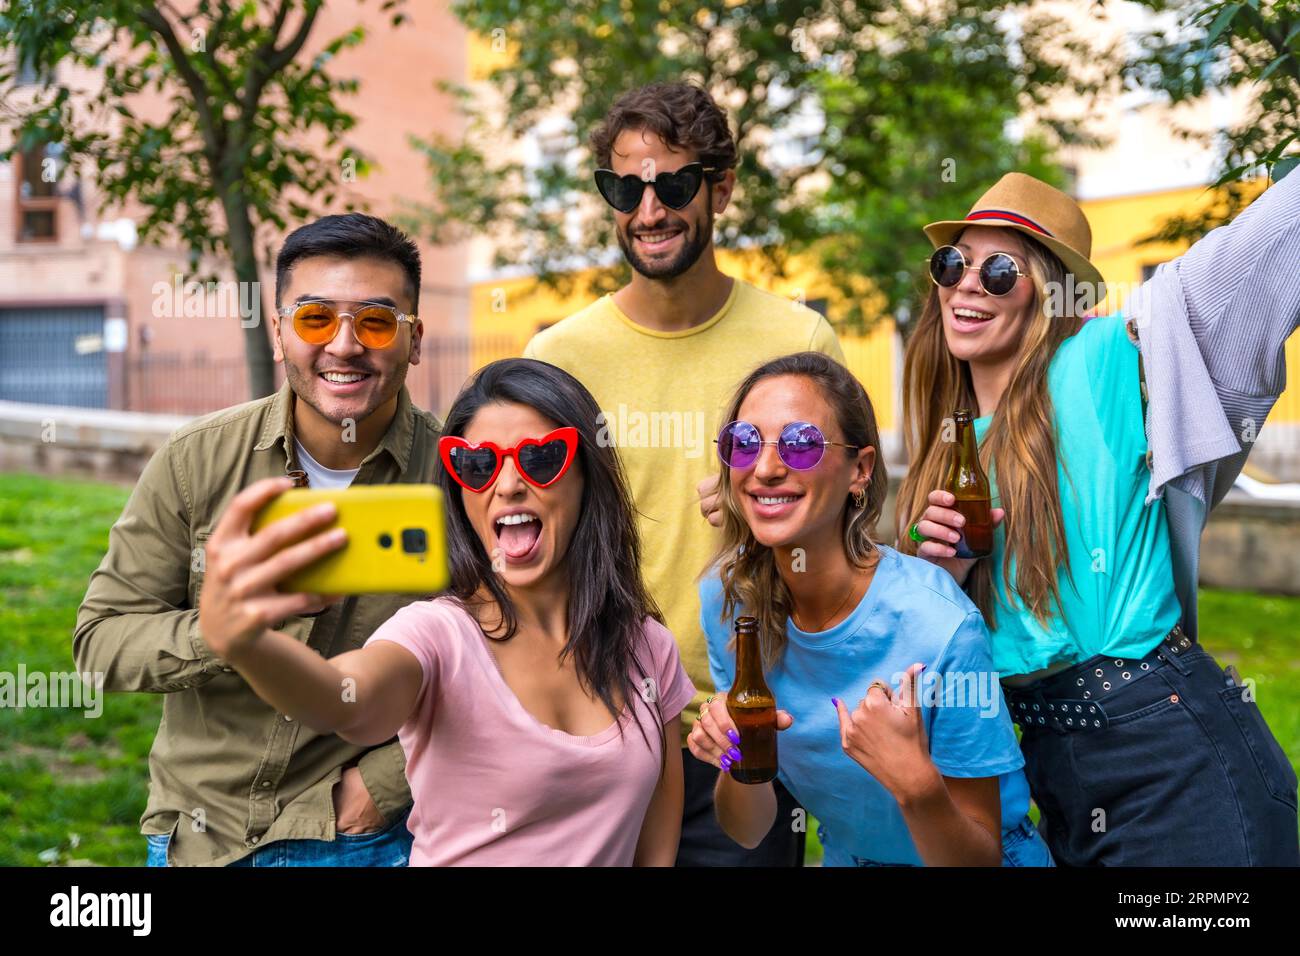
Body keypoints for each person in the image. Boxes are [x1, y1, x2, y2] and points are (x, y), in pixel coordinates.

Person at [897, 171, 1300, 865]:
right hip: (1055, 772)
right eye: (951, 263)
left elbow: (1262, 248)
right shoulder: (945, 454)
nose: (966, 283)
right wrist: (949, 581)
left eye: (1000, 270)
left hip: (1169, 754)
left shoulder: (1105, 360)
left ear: (1053, 293)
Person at [524, 81, 844, 866]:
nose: (649, 210)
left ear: (721, 188)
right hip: (596, 720)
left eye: (672, 184)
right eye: (624, 188)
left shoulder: (798, 339)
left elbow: (845, 538)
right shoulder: (556, 359)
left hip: (739, 723)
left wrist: (771, 515)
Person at [199, 358, 694, 865]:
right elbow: (342, 701)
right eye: (478, 465)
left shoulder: (648, 646)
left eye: (540, 458)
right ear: (458, 488)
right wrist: (249, 646)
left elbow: (655, 844)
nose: (506, 485)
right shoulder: (437, 635)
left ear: (588, 473)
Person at [75, 213, 438, 866]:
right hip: (199, 837)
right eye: (315, 319)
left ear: (415, 340)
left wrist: (386, 785)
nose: (345, 345)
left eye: (377, 322)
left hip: (370, 839)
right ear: (278, 333)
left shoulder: (461, 471)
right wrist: (219, 630)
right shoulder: (195, 460)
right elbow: (100, 646)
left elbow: (513, 660)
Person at [691, 351, 1050, 866]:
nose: (766, 468)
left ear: (859, 469)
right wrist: (734, 759)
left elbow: (980, 857)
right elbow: (747, 829)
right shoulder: (729, 603)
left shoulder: (940, 623)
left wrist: (917, 785)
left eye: (800, 445)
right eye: (743, 444)